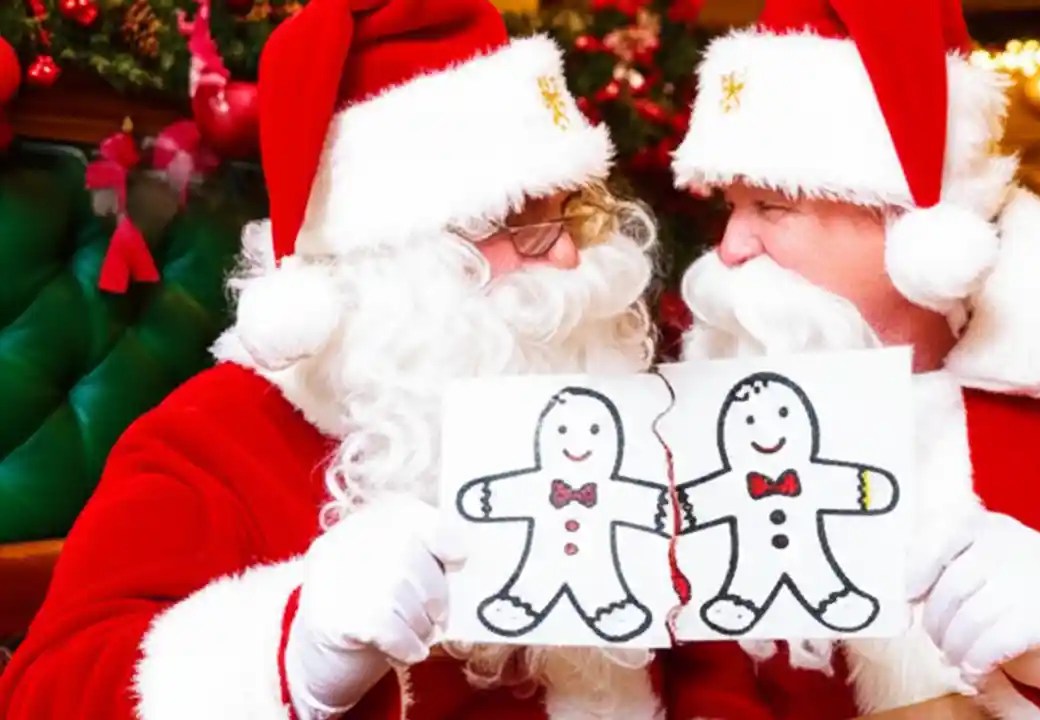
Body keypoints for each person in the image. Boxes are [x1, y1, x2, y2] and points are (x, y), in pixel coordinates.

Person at [0, 0, 690, 717]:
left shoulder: (618, 421)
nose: (573, 257)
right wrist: (291, 652)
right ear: (391, 258)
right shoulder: (214, 440)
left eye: (569, 211)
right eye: (518, 223)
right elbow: (45, 693)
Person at [663, 0, 1040, 717]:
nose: (731, 249)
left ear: (913, 226)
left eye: (770, 207)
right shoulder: (730, 404)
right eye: (729, 208)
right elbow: (700, 677)